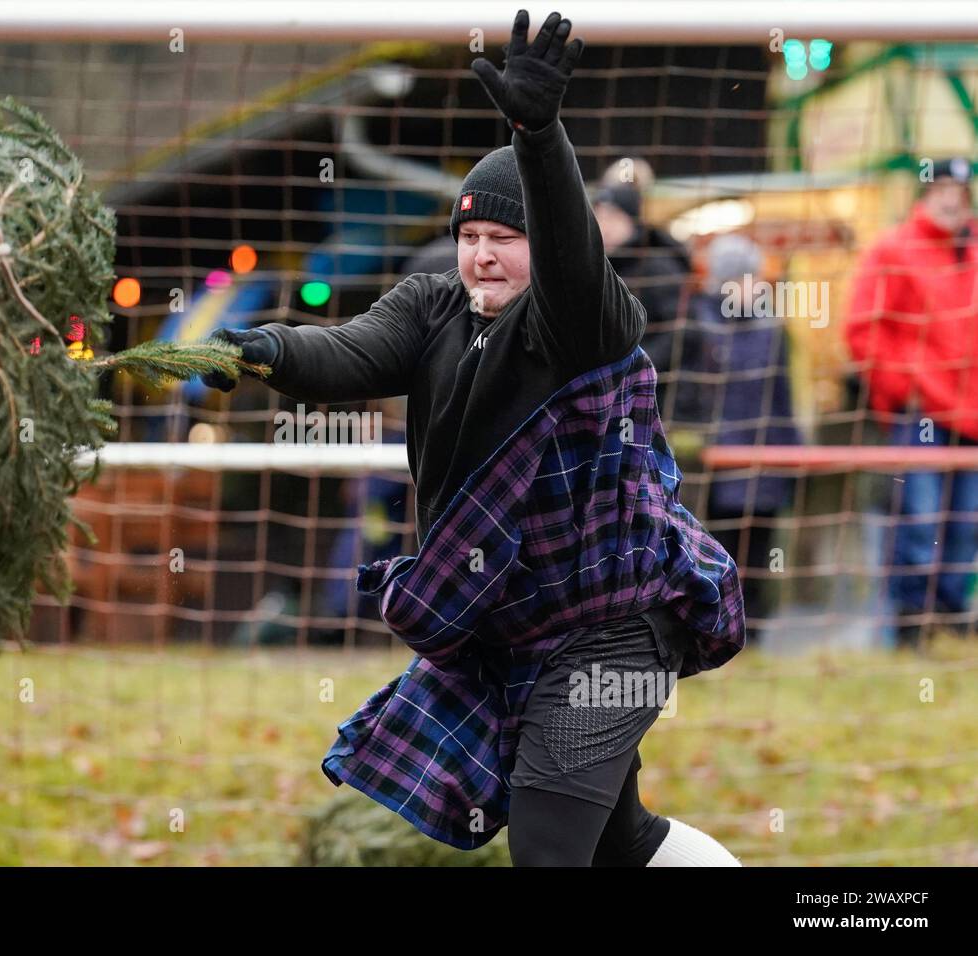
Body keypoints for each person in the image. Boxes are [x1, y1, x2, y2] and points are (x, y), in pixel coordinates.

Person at [204, 10, 743, 866]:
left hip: (618, 625)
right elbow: (347, 353)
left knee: (547, 849)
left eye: (506, 238)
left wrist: (539, 133)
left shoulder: (587, 323)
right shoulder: (432, 305)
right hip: (512, 623)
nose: (482, 256)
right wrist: (267, 349)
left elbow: (571, 255)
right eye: (470, 237)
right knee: (621, 840)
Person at [843, 157, 978, 648]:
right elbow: (862, 330)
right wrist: (908, 387)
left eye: (959, 191)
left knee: (966, 525)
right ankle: (906, 625)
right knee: (919, 521)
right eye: (941, 188)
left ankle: (948, 619)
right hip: (921, 413)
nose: (950, 199)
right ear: (924, 193)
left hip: (973, 415)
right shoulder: (894, 249)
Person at [687, 234, 804, 645]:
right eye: (743, 277)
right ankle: (715, 633)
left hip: (765, 461)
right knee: (717, 552)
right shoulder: (696, 324)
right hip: (716, 465)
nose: (753, 285)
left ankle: (753, 633)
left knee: (761, 554)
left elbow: (784, 396)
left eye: (755, 276)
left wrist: (794, 455)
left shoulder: (772, 328)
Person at [592, 180, 693, 420]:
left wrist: (636, 368)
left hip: (660, 403)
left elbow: (685, 332)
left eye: (613, 217)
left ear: (632, 221)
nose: (604, 225)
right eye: (599, 216)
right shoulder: (594, 271)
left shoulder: (658, 267)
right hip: (606, 403)